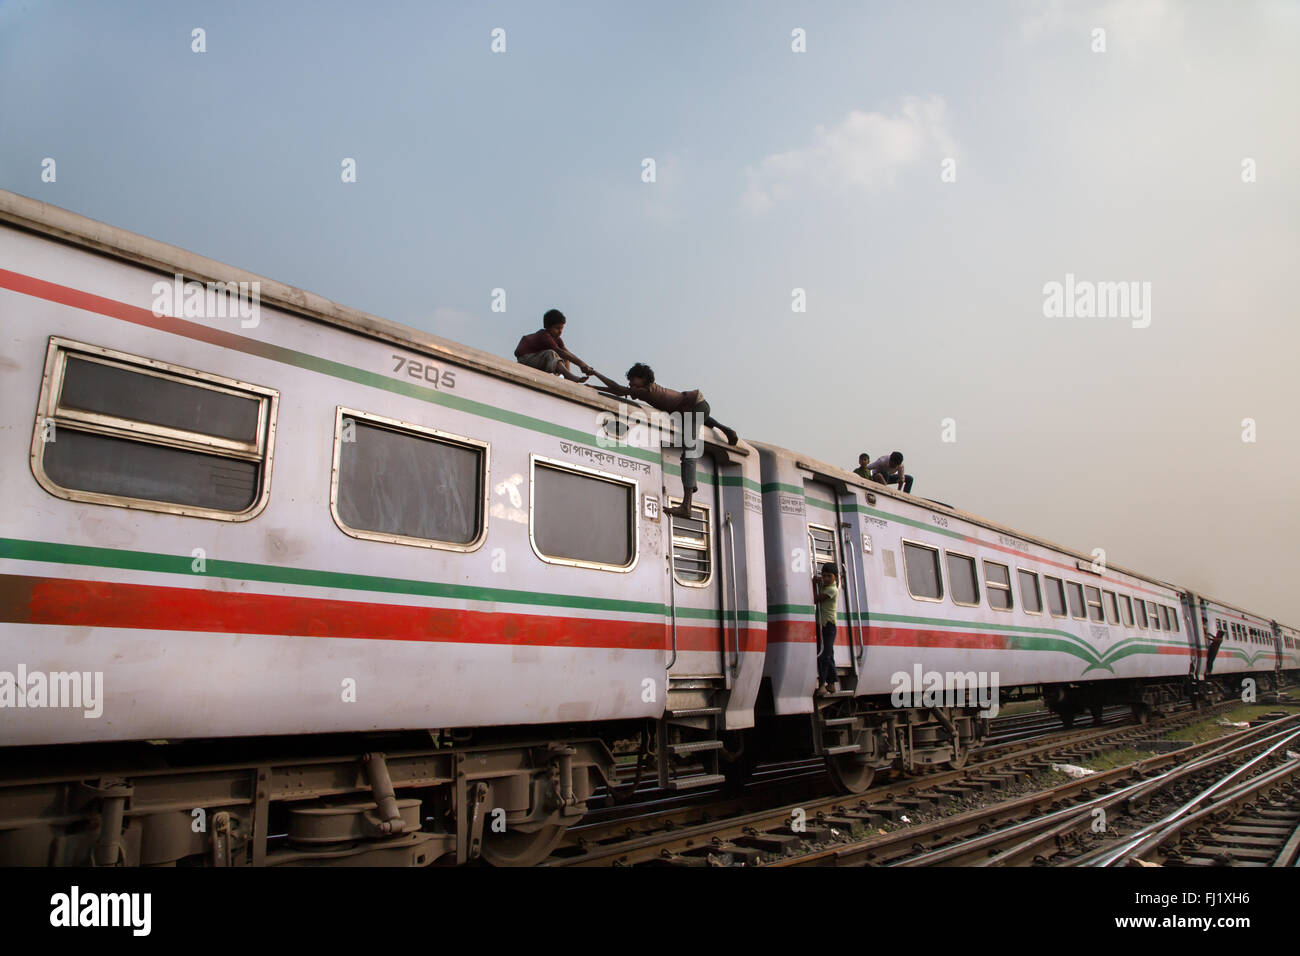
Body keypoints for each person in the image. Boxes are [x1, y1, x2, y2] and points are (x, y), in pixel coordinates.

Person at [593, 364, 738, 518]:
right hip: (694, 406)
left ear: (643, 380)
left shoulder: (646, 390)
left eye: (634, 382)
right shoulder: (648, 389)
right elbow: (619, 390)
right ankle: (726, 430)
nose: (631, 386)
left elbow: (618, 390)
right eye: (630, 383)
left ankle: (686, 505)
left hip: (695, 405)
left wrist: (593, 373)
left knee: (689, 453)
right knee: (695, 422)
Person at [514, 309, 594, 383]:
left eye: (562, 328)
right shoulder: (544, 335)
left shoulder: (557, 339)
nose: (560, 331)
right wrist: (580, 363)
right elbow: (560, 351)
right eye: (557, 328)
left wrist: (584, 365)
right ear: (547, 326)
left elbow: (567, 353)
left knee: (566, 357)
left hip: (537, 360)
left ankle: (568, 377)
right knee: (551, 353)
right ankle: (569, 376)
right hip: (525, 359)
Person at [813, 563, 840, 695]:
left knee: (824, 655)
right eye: (824, 576)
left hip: (827, 626)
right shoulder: (826, 586)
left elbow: (815, 599)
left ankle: (823, 685)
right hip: (824, 625)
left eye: (829, 576)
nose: (826, 578)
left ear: (835, 577)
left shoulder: (832, 590)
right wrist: (819, 583)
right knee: (828, 654)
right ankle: (832, 683)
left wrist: (814, 585)